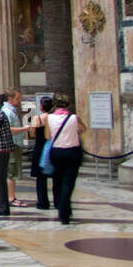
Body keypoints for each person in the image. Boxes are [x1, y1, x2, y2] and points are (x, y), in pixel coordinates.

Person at [46, 92, 86, 226]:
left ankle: (61, 207)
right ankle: (64, 211)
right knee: (68, 183)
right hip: (72, 152)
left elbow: (47, 135)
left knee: (57, 180)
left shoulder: (49, 118)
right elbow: (83, 129)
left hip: (56, 151)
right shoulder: (74, 118)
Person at [1, 89, 32, 207]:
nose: (20, 101)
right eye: (17, 98)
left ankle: (12, 196)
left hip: (15, 144)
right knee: (11, 172)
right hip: (11, 144)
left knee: (13, 171)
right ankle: (10, 197)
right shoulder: (7, 112)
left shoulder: (12, 111)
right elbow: (8, 129)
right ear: (10, 98)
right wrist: (24, 129)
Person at [30, 96, 55, 210]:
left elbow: (32, 133)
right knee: (55, 176)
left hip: (40, 147)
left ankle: (43, 202)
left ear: (41, 106)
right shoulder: (54, 118)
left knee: (40, 178)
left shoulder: (38, 118)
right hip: (52, 146)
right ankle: (57, 200)